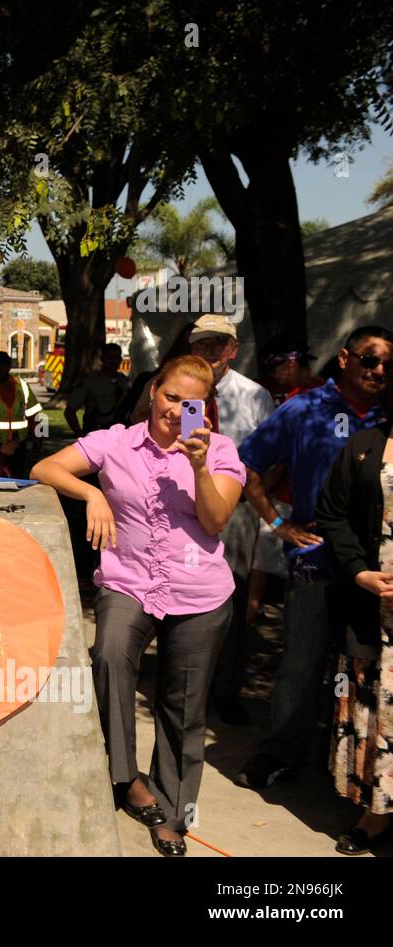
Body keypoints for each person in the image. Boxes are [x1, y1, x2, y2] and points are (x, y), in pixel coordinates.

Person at [31, 355, 245, 856]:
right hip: (128, 582)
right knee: (107, 656)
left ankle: (172, 812)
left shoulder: (220, 451)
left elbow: (214, 522)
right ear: (153, 391)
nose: (176, 411)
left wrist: (197, 465)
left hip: (199, 595)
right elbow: (45, 467)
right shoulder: (114, 441)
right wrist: (91, 494)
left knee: (184, 705)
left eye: (190, 403)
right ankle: (125, 777)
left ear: (205, 406)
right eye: (171, 397)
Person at [235, 325, 393, 791]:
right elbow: (246, 465)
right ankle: (280, 754)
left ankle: (351, 766)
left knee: (364, 671)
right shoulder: (304, 408)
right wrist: (277, 523)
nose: (379, 370)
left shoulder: (389, 414)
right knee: (301, 665)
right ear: (343, 358)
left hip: (379, 570)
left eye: (388, 364)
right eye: (369, 359)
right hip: (318, 562)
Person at [186, 314, 276, 725]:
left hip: (236, 511)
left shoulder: (255, 396)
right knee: (186, 596)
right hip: (185, 508)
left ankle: (225, 690)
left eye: (217, 344)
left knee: (233, 599)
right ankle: (187, 687)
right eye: (202, 344)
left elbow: (272, 458)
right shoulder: (180, 392)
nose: (210, 352)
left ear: (233, 350)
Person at [314, 403, 393, 854]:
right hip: (370, 607)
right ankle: (377, 811)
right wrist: (358, 570)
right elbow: (333, 514)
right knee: (375, 704)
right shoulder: (364, 445)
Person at [246, 334, 324, 630]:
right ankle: (248, 623)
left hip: (307, 498)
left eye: (276, 365)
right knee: (260, 564)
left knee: (304, 571)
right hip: (272, 497)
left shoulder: (321, 395)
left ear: (293, 361)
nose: (273, 372)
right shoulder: (269, 391)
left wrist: (268, 478)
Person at [64, 343, 128, 437]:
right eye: (109, 357)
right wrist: (79, 434)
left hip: (120, 437)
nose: (113, 361)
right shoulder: (91, 382)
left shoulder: (126, 382)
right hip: (96, 434)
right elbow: (69, 411)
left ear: (120, 360)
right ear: (102, 359)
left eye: (116, 357)